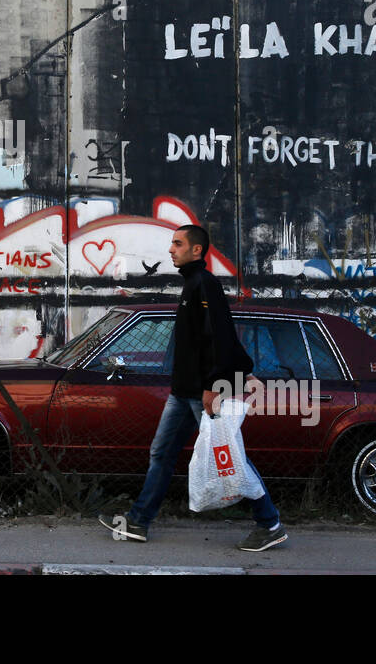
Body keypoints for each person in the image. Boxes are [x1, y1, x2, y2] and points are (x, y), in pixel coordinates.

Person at [99, 224, 288, 551]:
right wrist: (244, 371)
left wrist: (216, 386)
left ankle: (269, 523)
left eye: (178, 243)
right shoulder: (193, 285)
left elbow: (222, 337)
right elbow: (213, 337)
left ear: (196, 250)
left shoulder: (204, 285)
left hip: (203, 392)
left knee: (230, 455)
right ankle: (139, 521)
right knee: (162, 452)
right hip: (183, 392)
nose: (171, 249)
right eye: (172, 244)